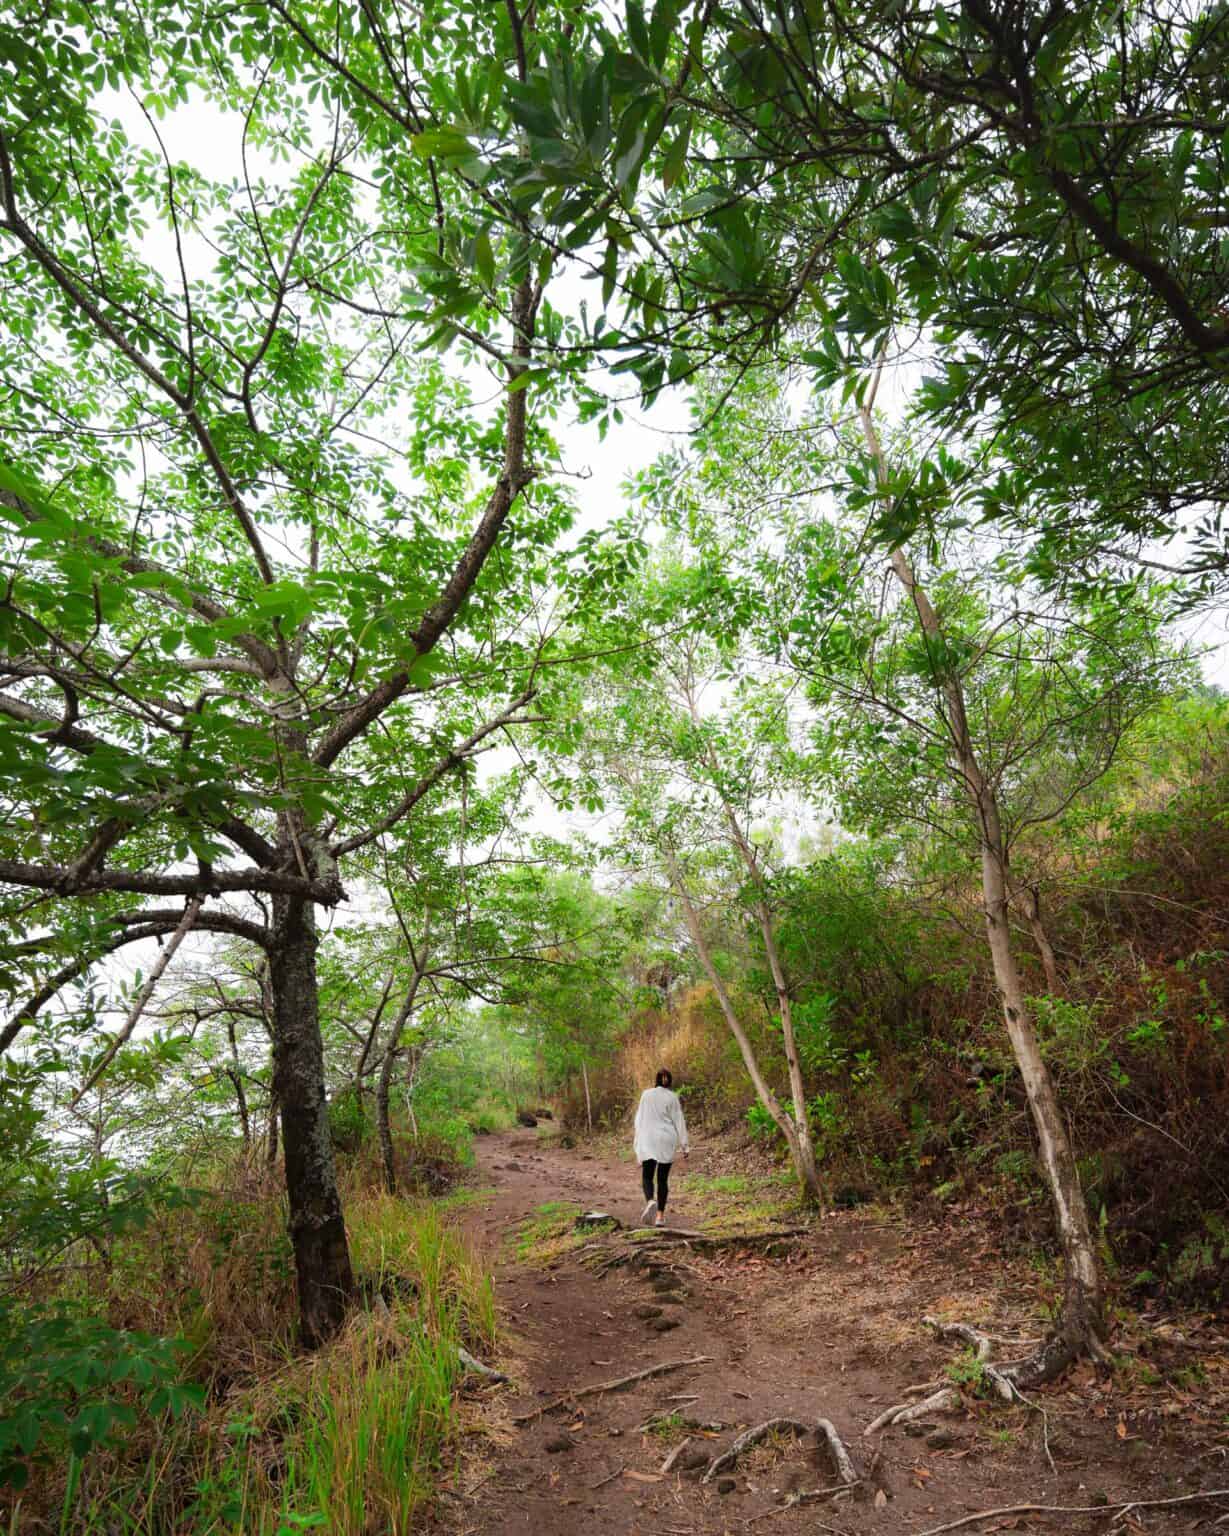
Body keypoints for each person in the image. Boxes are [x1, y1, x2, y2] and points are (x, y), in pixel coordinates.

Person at [633, 1068, 689, 1227]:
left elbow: (639, 1119)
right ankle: (659, 1217)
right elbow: (679, 1121)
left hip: (648, 1137)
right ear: (669, 1081)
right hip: (666, 1138)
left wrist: (637, 1143)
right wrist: (685, 1145)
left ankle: (650, 1200)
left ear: (656, 1079)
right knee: (662, 1179)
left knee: (647, 1176)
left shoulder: (646, 1095)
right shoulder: (672, 1097)